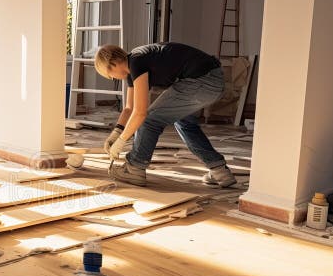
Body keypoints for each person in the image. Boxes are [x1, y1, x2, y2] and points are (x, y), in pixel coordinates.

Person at [94, 42, 236, 188]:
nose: (113, 78)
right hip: (212, 79)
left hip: (202, 81)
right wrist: (115, 134)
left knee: (149, 119)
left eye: (109, 75)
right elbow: (129, 108)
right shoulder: (134, 63)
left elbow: (140, 113)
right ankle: (219, 170)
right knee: (184, 122)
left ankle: (135, 168)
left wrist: (121, 141)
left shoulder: (137, 62)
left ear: (113, 63)